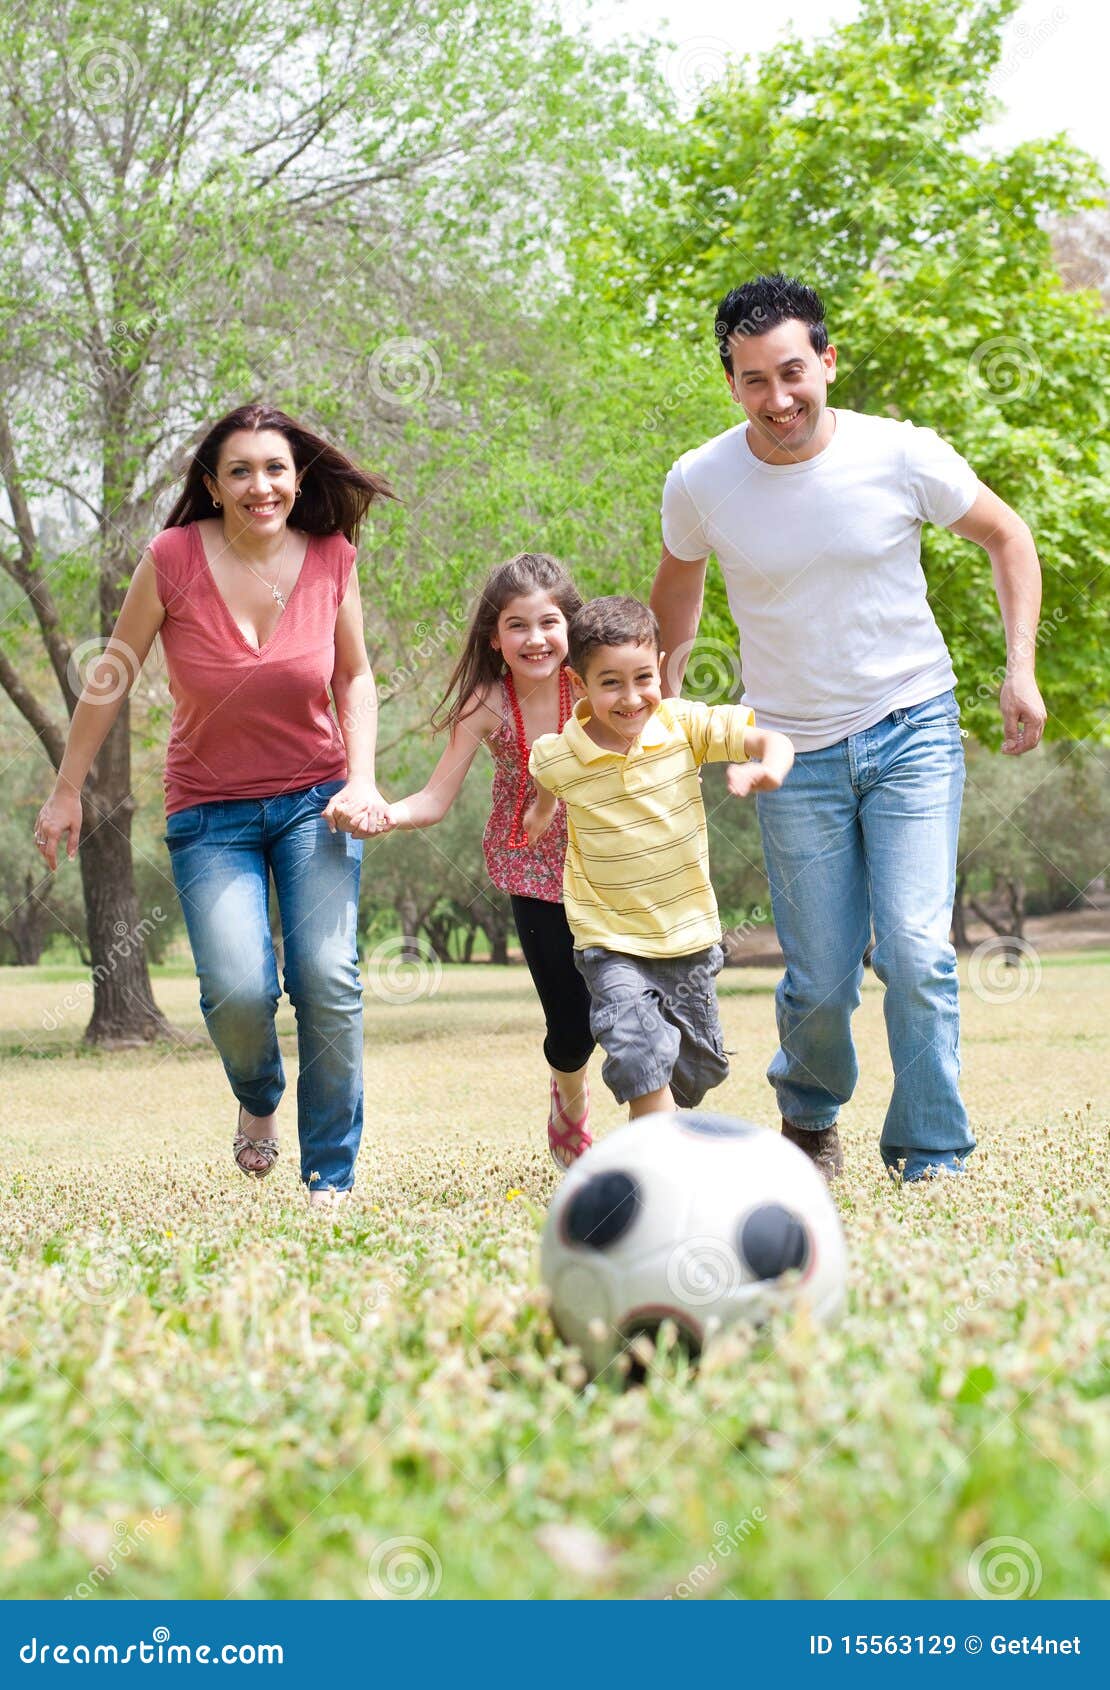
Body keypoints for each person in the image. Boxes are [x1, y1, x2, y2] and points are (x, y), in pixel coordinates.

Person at [652, 274, 1047, 1183]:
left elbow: (1008, 537)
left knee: (916, 952)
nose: (778, 400)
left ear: (827, 362)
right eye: (754, 381)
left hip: (911, 723)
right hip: (790, 749)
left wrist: (1018, 668)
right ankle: (811, 1113)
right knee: (820, 978)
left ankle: (931, 1151)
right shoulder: (701, 480)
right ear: (732, 384)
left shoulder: (901, 453)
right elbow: (678, 588)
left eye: (794, 373)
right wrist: (662, 712)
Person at [34, 403, 394, 1206]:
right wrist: (67, 789)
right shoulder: (172, 558)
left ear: (298, 480)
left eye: (276, 468)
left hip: (314, 802)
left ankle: (328, 1179)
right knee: (237, 992)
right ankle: (259, 1094)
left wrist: (361, 778)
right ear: (213, 484)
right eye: (241, 470)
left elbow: (354, 676)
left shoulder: (333, 556)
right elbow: (113, 672)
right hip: (209, 813)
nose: (261, 485)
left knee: (328, 978)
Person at [524, 596, 794, 1120]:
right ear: (579, 684)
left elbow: (772, 738)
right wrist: (542, 813)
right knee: (639, 1049)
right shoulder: (560, 753)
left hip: (688, 937)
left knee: (698, 1068)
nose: (632, 698)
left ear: (660, 668)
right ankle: (656, 1170)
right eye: (611, 683)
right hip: (609, 940)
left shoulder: (684, 727)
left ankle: (655, 1127)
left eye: (643, 678)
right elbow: (547, 779)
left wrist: (770, 769)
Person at [369, 553, 597, 1168]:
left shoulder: (598, 687)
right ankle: (570, 1097)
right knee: (572, 1026)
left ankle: (654, 1136)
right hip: (533, 874)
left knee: (627, 1007)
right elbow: (437, 797)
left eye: (548, 622)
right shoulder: (488, 704)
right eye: (517, 625)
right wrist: (385, 814)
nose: (535, 638)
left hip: (611, 868)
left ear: (571, 627)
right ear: (495, 640)